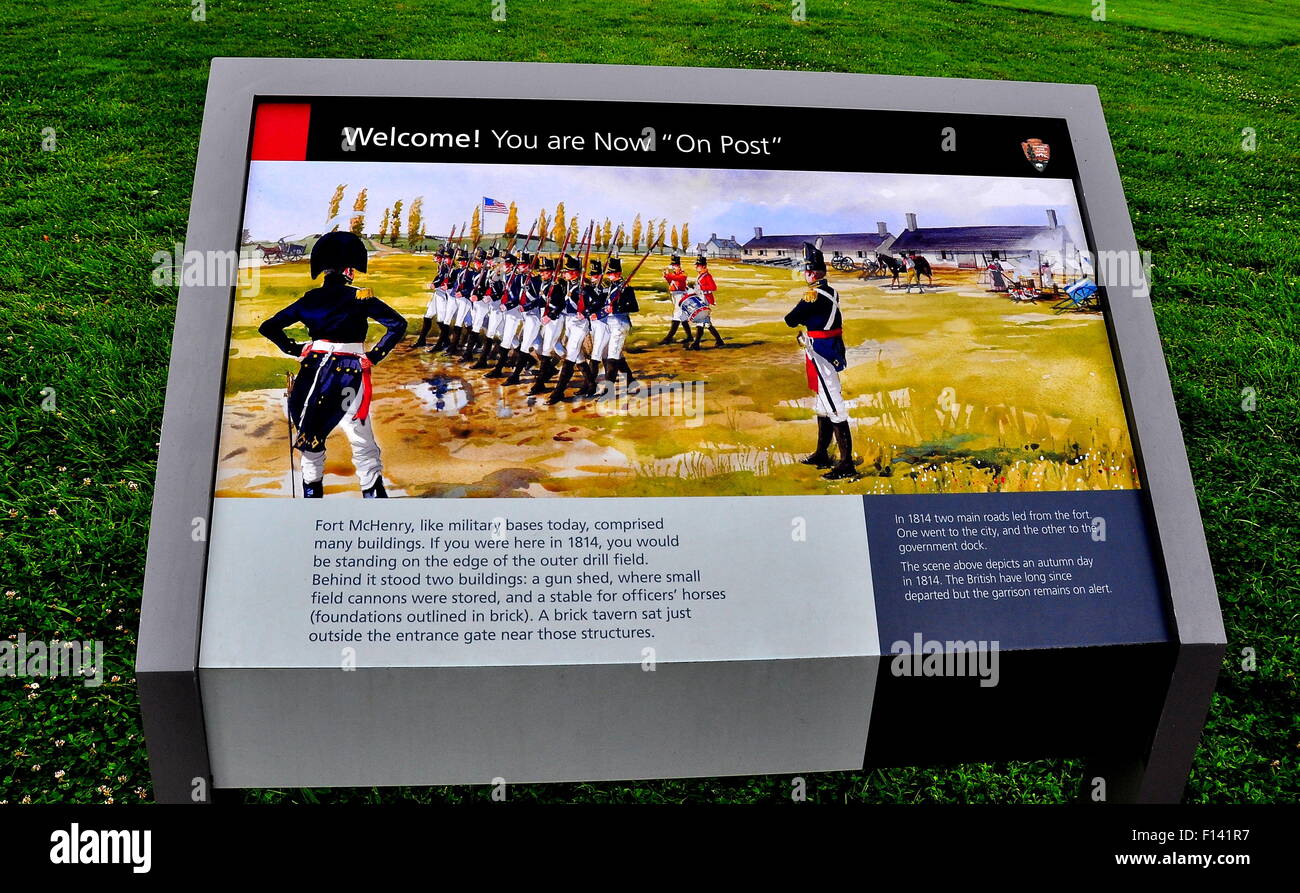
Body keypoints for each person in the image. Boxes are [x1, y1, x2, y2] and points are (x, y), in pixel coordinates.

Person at [258, 231, 407, 498]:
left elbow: (268, 327)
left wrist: (294, 348)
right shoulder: (361, 297)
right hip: (348, 372)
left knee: (310, 438)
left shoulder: (309, 299)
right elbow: (398, 324)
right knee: (361, 439)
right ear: (349, 269)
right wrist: (374, 355)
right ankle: (374, 498)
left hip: (312, 370)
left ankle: (311, 498)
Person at [784, 240, 857, 481]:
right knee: (823, 404)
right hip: (829, 347)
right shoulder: (832, 291)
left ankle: (846, 464)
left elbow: (791, 319)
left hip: (821, 351)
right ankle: (822, 454)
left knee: (834, 405)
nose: (805, 274)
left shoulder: (812, 295)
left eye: (807, 270)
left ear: (813, 272)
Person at [601, 256, 640, 392]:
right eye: (609, 273)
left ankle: (608, 390)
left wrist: (616, 308)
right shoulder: (612, 286)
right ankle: (631, 383)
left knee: (613, 355)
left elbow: (634, 306)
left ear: (618, 273)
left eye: (612, 273)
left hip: (621, 322)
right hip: (610, 323)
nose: (609, 275)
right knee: (617, 354)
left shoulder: (626, 288)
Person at [685, 255, 725, 349]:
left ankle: (696, 344)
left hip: (705, 299)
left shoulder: (707, 276)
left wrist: (701, 288)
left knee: (701, 320)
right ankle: (719, 341)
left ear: (703, 266)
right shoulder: (700, 275)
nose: (696, 267)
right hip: (700, 298)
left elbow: (713, 287)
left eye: (698, 265)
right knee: (706, 323)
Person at [660, 254, 692, 346]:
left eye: (675, 266)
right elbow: (671, 282)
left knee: (676, 315)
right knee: (683, 317)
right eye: (673, 266)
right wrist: (666, 276)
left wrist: (668, 275)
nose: (674, 268)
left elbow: (677, 279)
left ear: (679, 266)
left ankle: (668, 338)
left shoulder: (682, 274)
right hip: (675, 296)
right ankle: (689, 336)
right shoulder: (674, 275)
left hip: (680, 296)